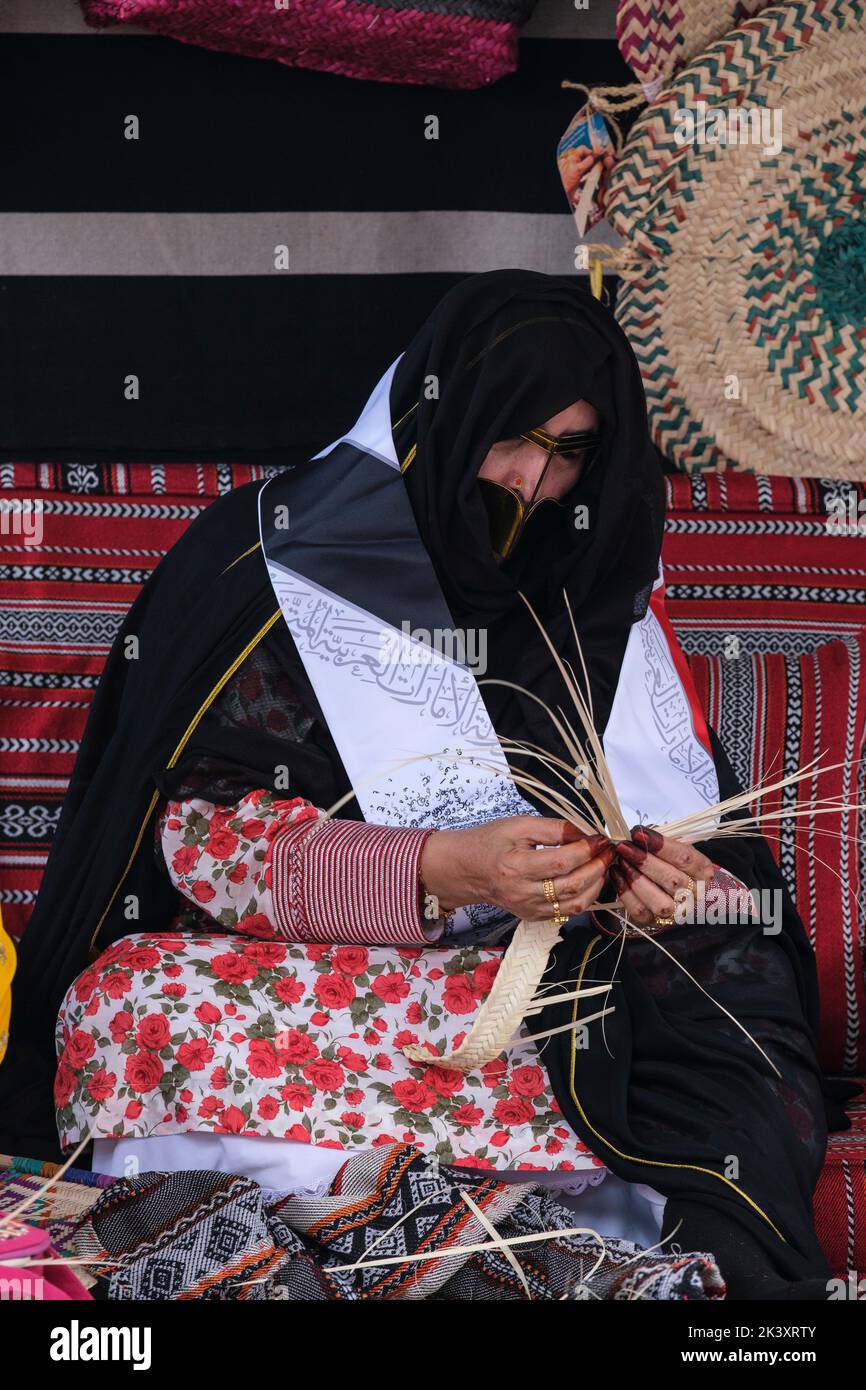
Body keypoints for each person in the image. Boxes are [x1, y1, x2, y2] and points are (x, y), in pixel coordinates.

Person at [0, 270, 857, 1300]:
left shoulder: (594, 582)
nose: (534, 483)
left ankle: (437, 1226)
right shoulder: (269, 563)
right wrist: (441, 868)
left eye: (571, 451)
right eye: (512, 439)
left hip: (566, 1019)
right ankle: (469, 1230)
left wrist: (679, 897)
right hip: (341, 992)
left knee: (729, 1035)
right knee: (131, 1000)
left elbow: (729, 891)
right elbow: (202, 843)